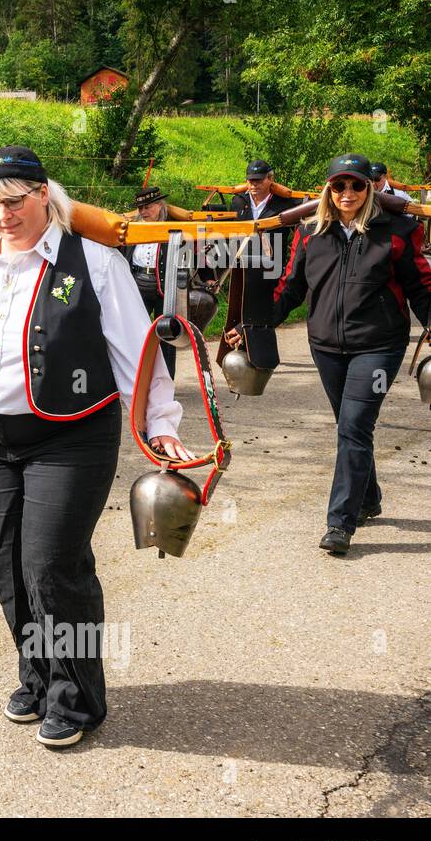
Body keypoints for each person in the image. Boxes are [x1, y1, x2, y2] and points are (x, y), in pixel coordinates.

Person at [0, 146, 191, 749]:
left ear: (43, 194)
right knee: (6, 566)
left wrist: (161, 426)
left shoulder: (94, 263)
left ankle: (76, 697)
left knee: (52, 565)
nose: (1, 215)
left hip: (71, 435)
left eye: (13, 202)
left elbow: (138, 352)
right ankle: (38, 671)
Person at [228, 152, 431, 555]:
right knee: (349, 426)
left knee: (354, 425)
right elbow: (290, 289)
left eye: (357, 184)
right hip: (325, 346)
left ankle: (340, 522)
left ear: (370, 187)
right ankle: (367, 496)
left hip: (379, 345)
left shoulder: (398, 230)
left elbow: (420, 286)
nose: (348, 192)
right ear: (329, 189)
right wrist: (250, 326)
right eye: (339, 185)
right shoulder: (310, 233)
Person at [120, 186, 218, 376]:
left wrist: (207, 279)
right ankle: (134, 378)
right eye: (140, 208)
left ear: (159, 205)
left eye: (147, 207)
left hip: (167, 287)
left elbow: (197, 253)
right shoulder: (133, 228)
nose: (143, 212)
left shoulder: (176, 228)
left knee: (167, 335)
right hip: (137, 283)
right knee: (131, 332)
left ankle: (166, 380)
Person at [231, 159, 295, 280]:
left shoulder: (285, 205)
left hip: (272, 272)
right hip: (241, 270)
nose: (254, 184)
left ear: (270, 179)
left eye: (259, 180)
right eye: (251, 180)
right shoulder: (238, 202)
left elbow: (298, 239)